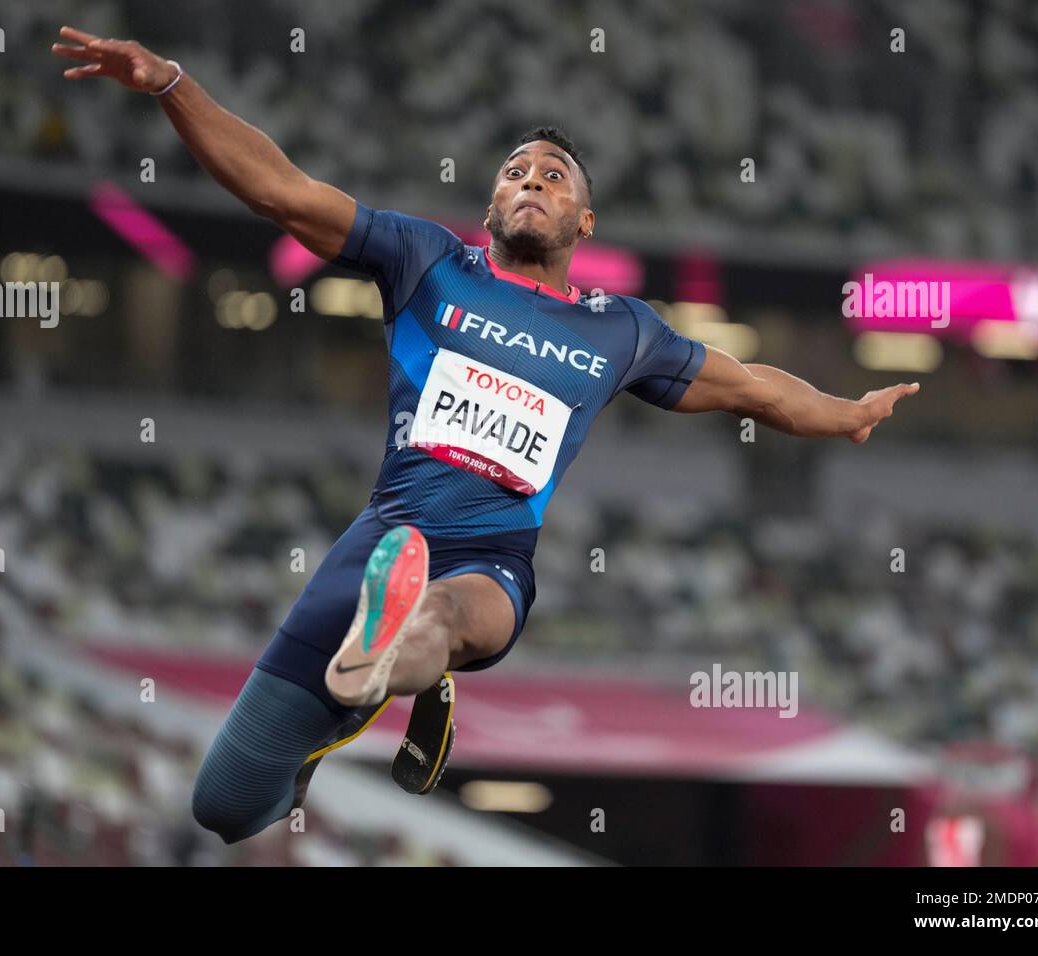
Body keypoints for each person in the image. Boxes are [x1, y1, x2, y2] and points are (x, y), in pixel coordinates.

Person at [53, 27, 919, 845]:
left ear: (584, 222)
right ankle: (373, 700)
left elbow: (752, 388)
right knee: (227, 808)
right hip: (381, 538)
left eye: (555, 176)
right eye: (516, 171)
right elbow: (280, 189)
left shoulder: (623, 331)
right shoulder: (426, 262)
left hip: (488, 560)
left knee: (431, 612)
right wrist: (170, 83)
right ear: (491, 203)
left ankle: (398, 657)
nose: (533, 180)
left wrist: (844, 414)